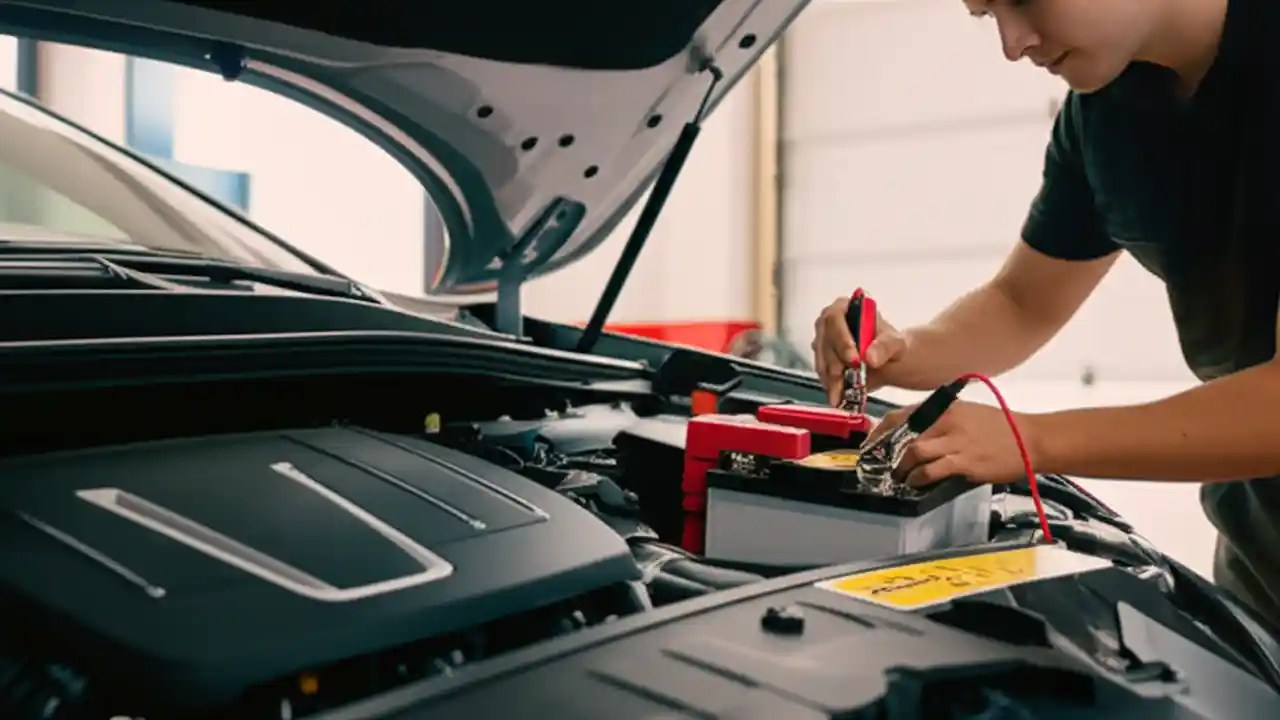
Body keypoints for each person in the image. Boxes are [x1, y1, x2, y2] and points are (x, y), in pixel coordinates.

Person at [811, 0, 1280, 626]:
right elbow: (1021, 302)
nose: (1011, 42)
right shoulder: (1111, 108)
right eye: (986, 13)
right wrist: (899, 351)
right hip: (1260, 570)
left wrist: (1031, 439)